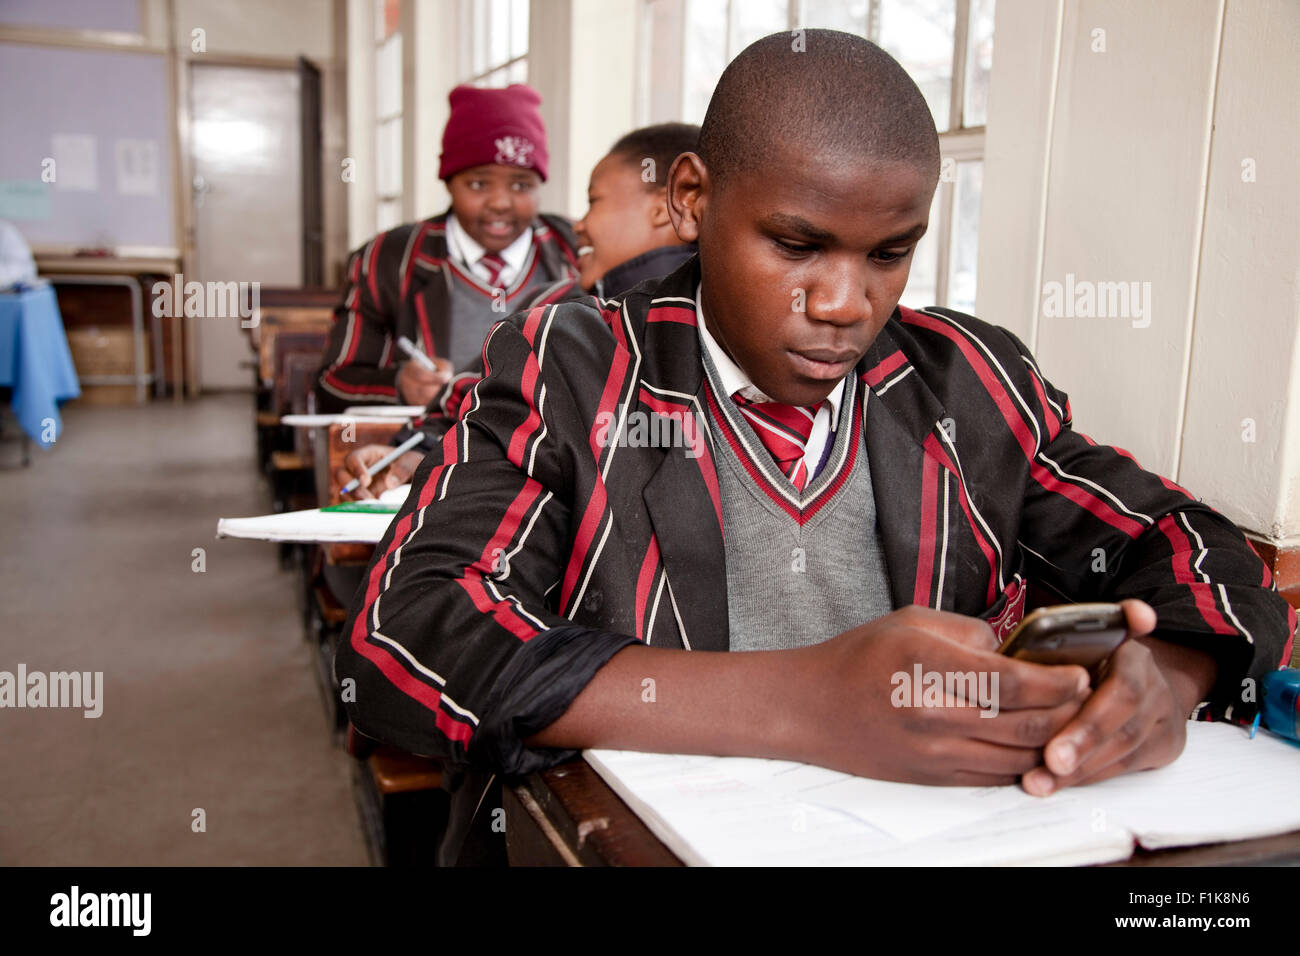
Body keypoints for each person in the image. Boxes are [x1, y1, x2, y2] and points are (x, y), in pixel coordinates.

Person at [335, 30, 1295, 864]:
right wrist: (807, 704)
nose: (844, 305)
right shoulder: (572, 368)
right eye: (796, 245)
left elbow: (1189, 543)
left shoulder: (965, 380)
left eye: (889, 254)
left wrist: (1169, 675)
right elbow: (403, 634)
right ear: (695, 199)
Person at [333, 123, 702, 498]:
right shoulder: (555, 304)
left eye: (594, 201)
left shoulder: (562, 307)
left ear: (664, 207)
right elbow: (474, 400)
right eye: (478, 184)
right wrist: (413, 451)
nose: (580, 224)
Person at [314, 83, 579, 413]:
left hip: (548, 457)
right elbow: (334, 381)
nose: (500, 202)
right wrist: (400, 385)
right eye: (478, 184)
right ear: (449, 182)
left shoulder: (577, 250)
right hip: (428, 455)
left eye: (521, 185)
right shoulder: (389, 258)